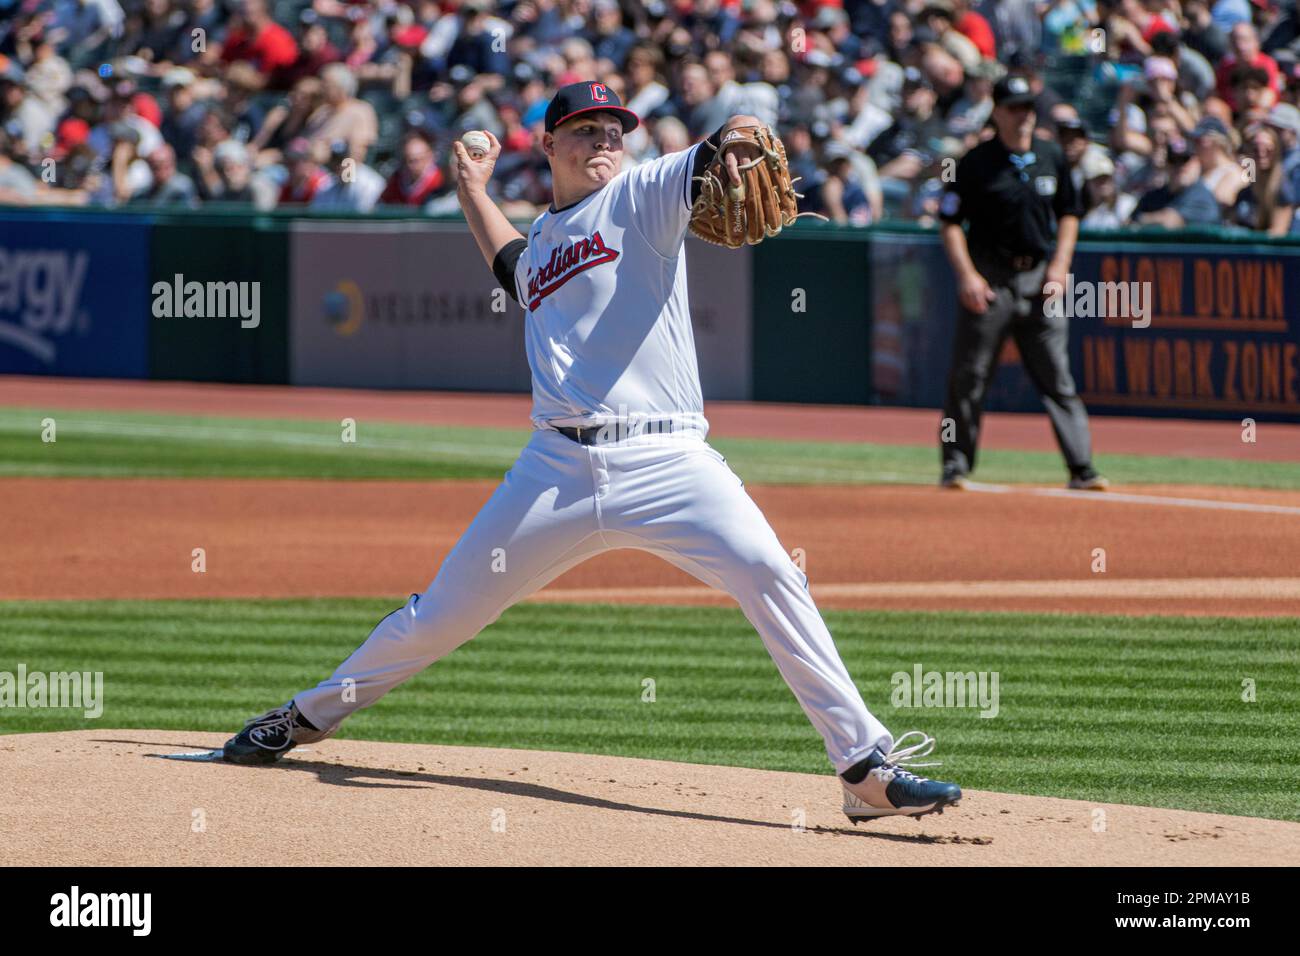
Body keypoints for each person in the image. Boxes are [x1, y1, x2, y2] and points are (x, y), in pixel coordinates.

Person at [220, 81, 964, 824]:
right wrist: (472, 188)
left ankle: (864, 768)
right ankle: (309, 716)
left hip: (671, 461)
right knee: (442, 614)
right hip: (556, 472)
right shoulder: (543, 240)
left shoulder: (643, 194)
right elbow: (511, 265)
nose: (604, 140)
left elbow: (717, 145)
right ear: (548, 146)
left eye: (614, 129)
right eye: (585, 129)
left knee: (772, 572)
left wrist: (737, 135)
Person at [937, 74, 1107, 491]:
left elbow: (1070, 212)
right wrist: (967, 276)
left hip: (1039, 276)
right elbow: (949, 221)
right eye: (1014, 108)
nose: (1024, 116)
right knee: (970, 375)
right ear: (997, 112)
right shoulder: (975, 163)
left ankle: (1082, 469)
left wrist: (1060, 266)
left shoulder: (1051, 156)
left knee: (1058, 377)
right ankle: (955, 465)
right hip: (991, 279)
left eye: (1029, 107)